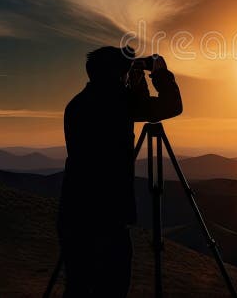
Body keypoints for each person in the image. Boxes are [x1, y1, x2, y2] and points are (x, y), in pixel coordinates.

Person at [58, 46, 182, 297]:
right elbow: (171, 106)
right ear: (118, 74)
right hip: (108, 216)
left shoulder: (77, 104)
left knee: (78, 286)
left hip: (74, 210)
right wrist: (159, 72)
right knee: (111, 287)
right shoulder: (119, 102)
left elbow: (134, 106)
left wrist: (133, 82)